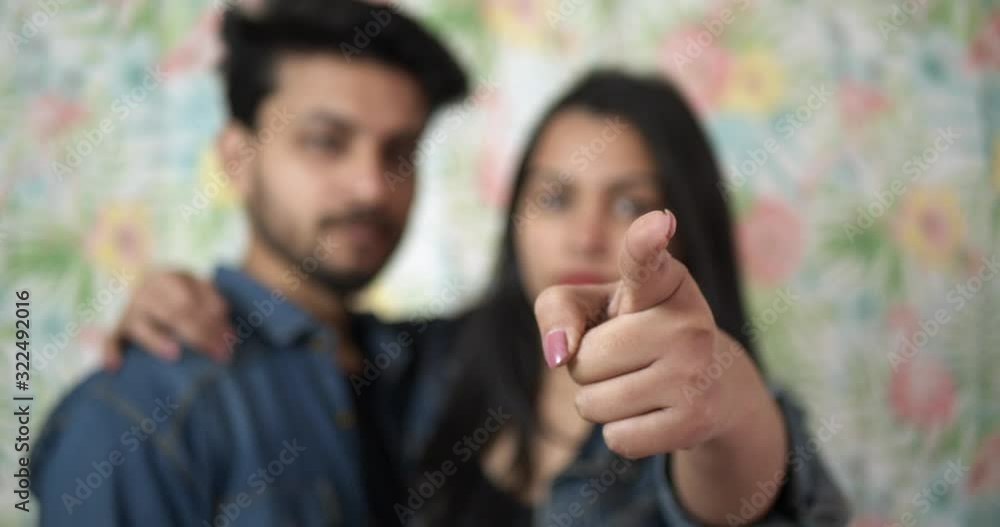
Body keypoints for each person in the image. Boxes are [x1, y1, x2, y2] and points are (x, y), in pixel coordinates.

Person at [100, 70, 851, 525]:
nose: (587, 235)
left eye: (629, 205)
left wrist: (724, 394)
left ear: (686, 232)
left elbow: (745, 489)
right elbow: (302, 331)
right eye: (555, 197)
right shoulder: (419, 365)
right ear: (514, 217)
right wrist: (184, 300)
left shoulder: (709, 407)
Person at [32, 2, 468, 525]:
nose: (372, 187)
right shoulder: (139, 412)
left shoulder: (439, 369)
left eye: (399, 153)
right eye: (326, 142)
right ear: (237, 160)